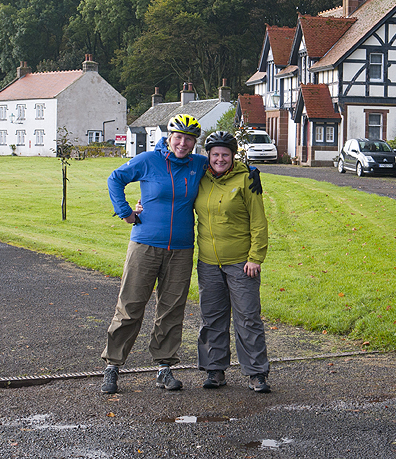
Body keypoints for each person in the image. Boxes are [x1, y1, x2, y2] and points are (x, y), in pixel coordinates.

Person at [101, 114, 208, 394]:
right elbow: (116, 178)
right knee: (131, 306)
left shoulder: (198, 165)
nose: (183, 143)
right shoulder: (149, 160)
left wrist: (250, 174)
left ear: (195, 142)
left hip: (181, 249)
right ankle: (112, 366)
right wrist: (125, 212)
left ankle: (164, 368)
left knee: (171, 310)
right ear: (169, 137)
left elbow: (226, 166)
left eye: (189, 139)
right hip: (145, 244)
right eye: (179, 137)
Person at [194, 131, 271, 393]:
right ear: (208, 155)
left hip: (241, 263)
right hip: (208, 262)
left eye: (225, 154)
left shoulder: (247, 178)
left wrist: (255, 257)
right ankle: (215, 370)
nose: (220, 159)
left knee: (247, 318)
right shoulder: (200, 178)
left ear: (233, 155)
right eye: (215, 154)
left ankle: (256, 373)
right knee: (212, 318)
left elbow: (259, 221)